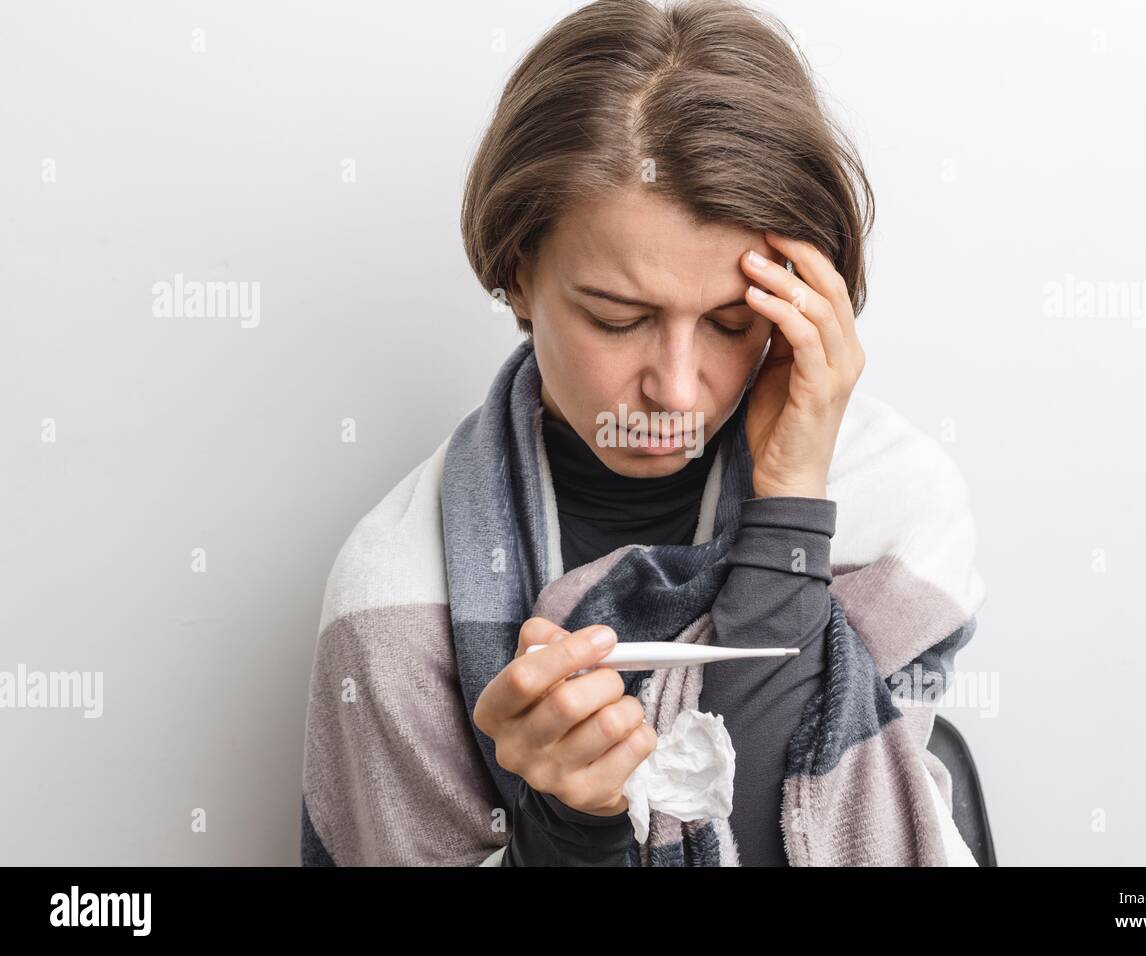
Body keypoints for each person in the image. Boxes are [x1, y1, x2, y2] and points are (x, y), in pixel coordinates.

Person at [301, 0, 978, 867]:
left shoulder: (892, 508)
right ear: (517, 273)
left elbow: (812, 832)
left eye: (732, 323)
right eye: (619, 319)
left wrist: (790, 511)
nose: (676, 389)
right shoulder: (396, 600)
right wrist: (567, 829)